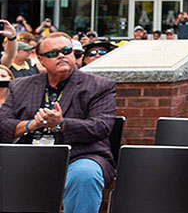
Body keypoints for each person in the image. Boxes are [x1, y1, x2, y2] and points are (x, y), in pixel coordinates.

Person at [0, 32, 117, 213]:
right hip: (28, 156)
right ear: (41, 60)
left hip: (80, 156)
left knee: (85, 175)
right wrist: (31, 124)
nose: (62, 56)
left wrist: (61, 123)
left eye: (66, 51)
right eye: (53, 53)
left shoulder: (99, 86)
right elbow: (2, 124)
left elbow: (101, 126)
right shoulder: (21, 85)